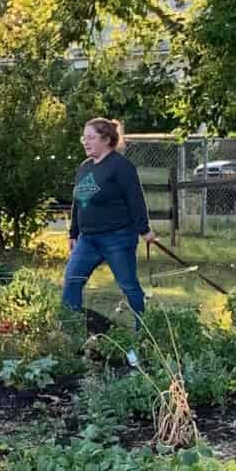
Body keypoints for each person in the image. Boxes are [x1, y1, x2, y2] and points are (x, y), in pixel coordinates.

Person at [63, 117, 151, 327]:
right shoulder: (84, 167)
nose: (85, 142)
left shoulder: (121, 166)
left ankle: (144, 331)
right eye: (83, 138)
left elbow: (135, 198)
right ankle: (70, 329)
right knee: (72, 281)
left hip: (117, 237)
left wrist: (144, 229)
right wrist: (73, 234)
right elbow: (78, 201)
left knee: (129, 286)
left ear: (106, 139)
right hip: (88, 240)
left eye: (91, 137)